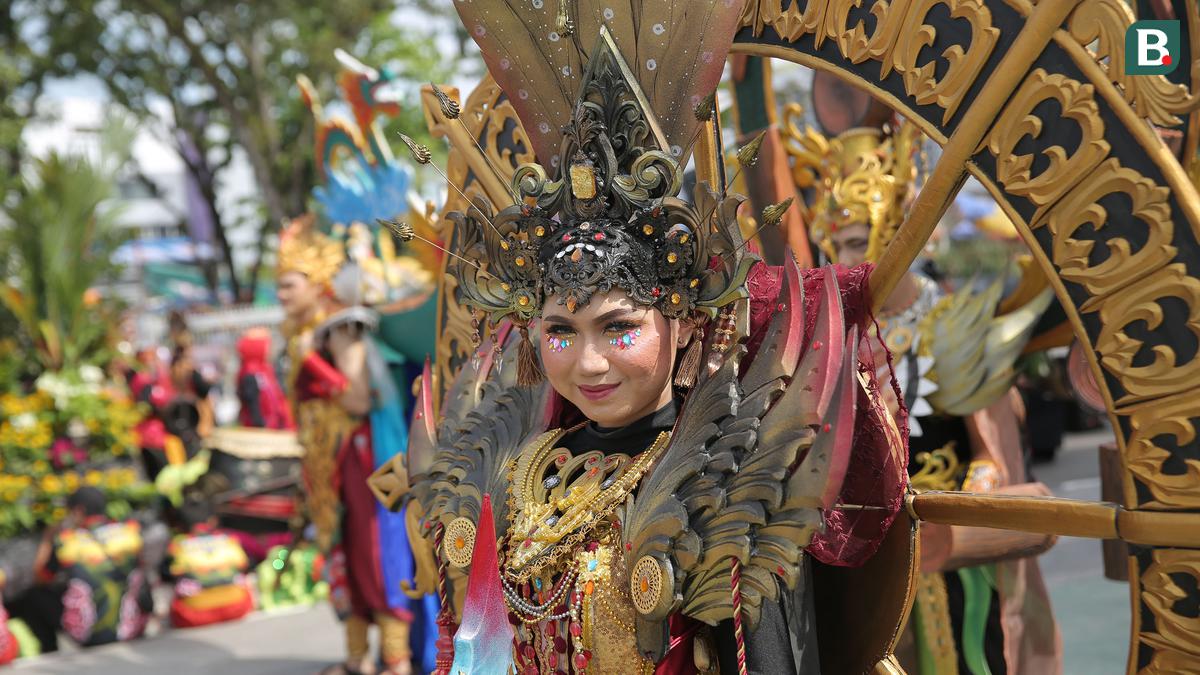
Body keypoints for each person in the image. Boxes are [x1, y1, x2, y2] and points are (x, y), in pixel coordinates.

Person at [368, 6, 910, 672]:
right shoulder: (510, 478)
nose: (589, 362)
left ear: (682, 325)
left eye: (619, 327)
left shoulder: (725, 488)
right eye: (561, 332)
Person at [797, 122, 1062, 674]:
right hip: (866, 561)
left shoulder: (950, 325)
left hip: (948, 557)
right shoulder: (833, 335)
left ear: (899, 231)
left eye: (856, 242)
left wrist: (961, 501)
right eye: (836, 244)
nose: (843, 258)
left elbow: (991, 455)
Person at [277, 214, 435, 675]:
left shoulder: (340, 326)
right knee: (341, 549)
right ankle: (356, 656)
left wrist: (312, 363)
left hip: (360, 454)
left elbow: (359, 397)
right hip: (327, 459)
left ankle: (396, 659)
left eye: (288, 285)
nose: (281, 295)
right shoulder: (302, 333)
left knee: (374, 549)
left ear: (316, 284)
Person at [21, 487, 153, 651]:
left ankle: (49, 649)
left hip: (91, 636)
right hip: (132, 629)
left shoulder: (68, 541)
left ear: (78, 511)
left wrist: (47, 539)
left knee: (33, 596)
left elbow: (39, 577)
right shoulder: (129, 532)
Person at [162, 498, 255, 628]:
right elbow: (247, 565)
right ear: (213, 520)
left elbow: (165, 575)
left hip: (194, 615)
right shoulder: (228, 539)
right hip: (238, 607)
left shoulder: (177, 544)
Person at [235, 328, 295, 430]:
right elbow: (253, 407)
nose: (270, 350)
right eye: (267, 346)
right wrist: (262, 427)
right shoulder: (250, 374)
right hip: (263, 431)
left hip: (273, 428)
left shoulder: (265, 370)